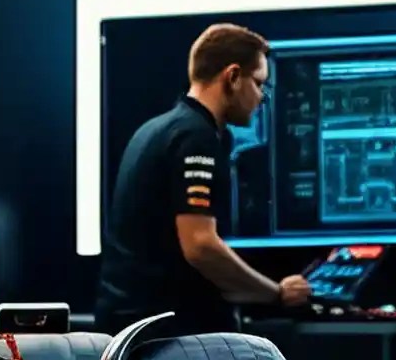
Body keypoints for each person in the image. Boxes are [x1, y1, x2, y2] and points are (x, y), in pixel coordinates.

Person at [94, 23, 311, 336]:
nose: (261, 97)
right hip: (162, 336)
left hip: (130, 328)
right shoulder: (196, 138)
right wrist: (275, 293)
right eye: (259, 83)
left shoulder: (158, 129)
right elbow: (200, 246)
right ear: (233, 77)